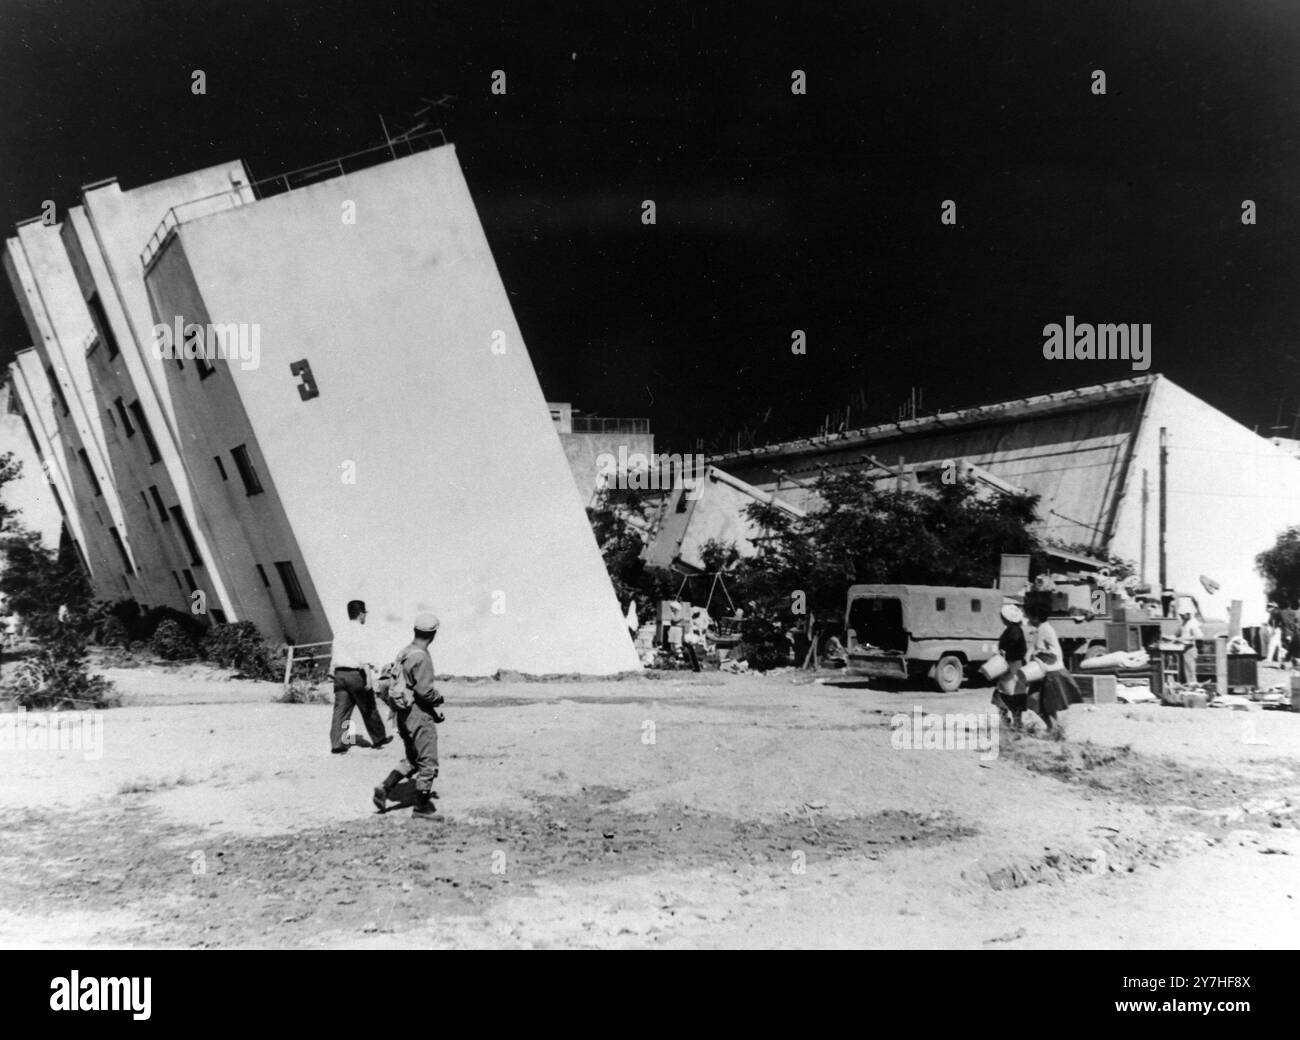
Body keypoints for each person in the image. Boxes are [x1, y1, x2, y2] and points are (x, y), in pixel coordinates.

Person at [373, 613, 443, 819]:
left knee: (412, 759)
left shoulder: (405, 652)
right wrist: (438, 699)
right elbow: (425, 692)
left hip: (401, 714)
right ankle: (422, 807)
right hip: (418, 715)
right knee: (428, 761)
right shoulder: (421, 656)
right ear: (433, 634)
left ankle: (386, 787)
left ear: (415, 630)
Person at [329, 599, 391, 754]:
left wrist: (332, 672)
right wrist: (369, 678)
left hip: (340, 674)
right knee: (368, 707)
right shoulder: (361, 631)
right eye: (365, 614)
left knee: (341, 711)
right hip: (356, 674)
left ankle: (337, 744)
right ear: (361, 614)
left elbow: (334, 654)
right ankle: (379, 738)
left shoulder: (340, 631)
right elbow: (364, 658)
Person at [1024, 602, 1082, 736]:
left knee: (1041, 703)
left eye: (1030, 617)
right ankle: (1054, 729)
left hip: (1050, 672)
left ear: (1036, 617)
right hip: (1047, 671)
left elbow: (1052, 653)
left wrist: (1036, 654)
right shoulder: (1043, 628)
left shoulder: (1044, 629)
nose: (1028, 620)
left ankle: (1054, 729)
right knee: (1044, 705)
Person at [991, 603, 1027, 730]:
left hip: (1011, 666)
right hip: (1015, 666)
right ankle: (1016, 723)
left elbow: (1013, 649)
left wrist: (1003, 655)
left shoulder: (1013, 632)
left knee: (1005, 695)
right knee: (1014, 695)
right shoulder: (1016, 630)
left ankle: (1010, 723)